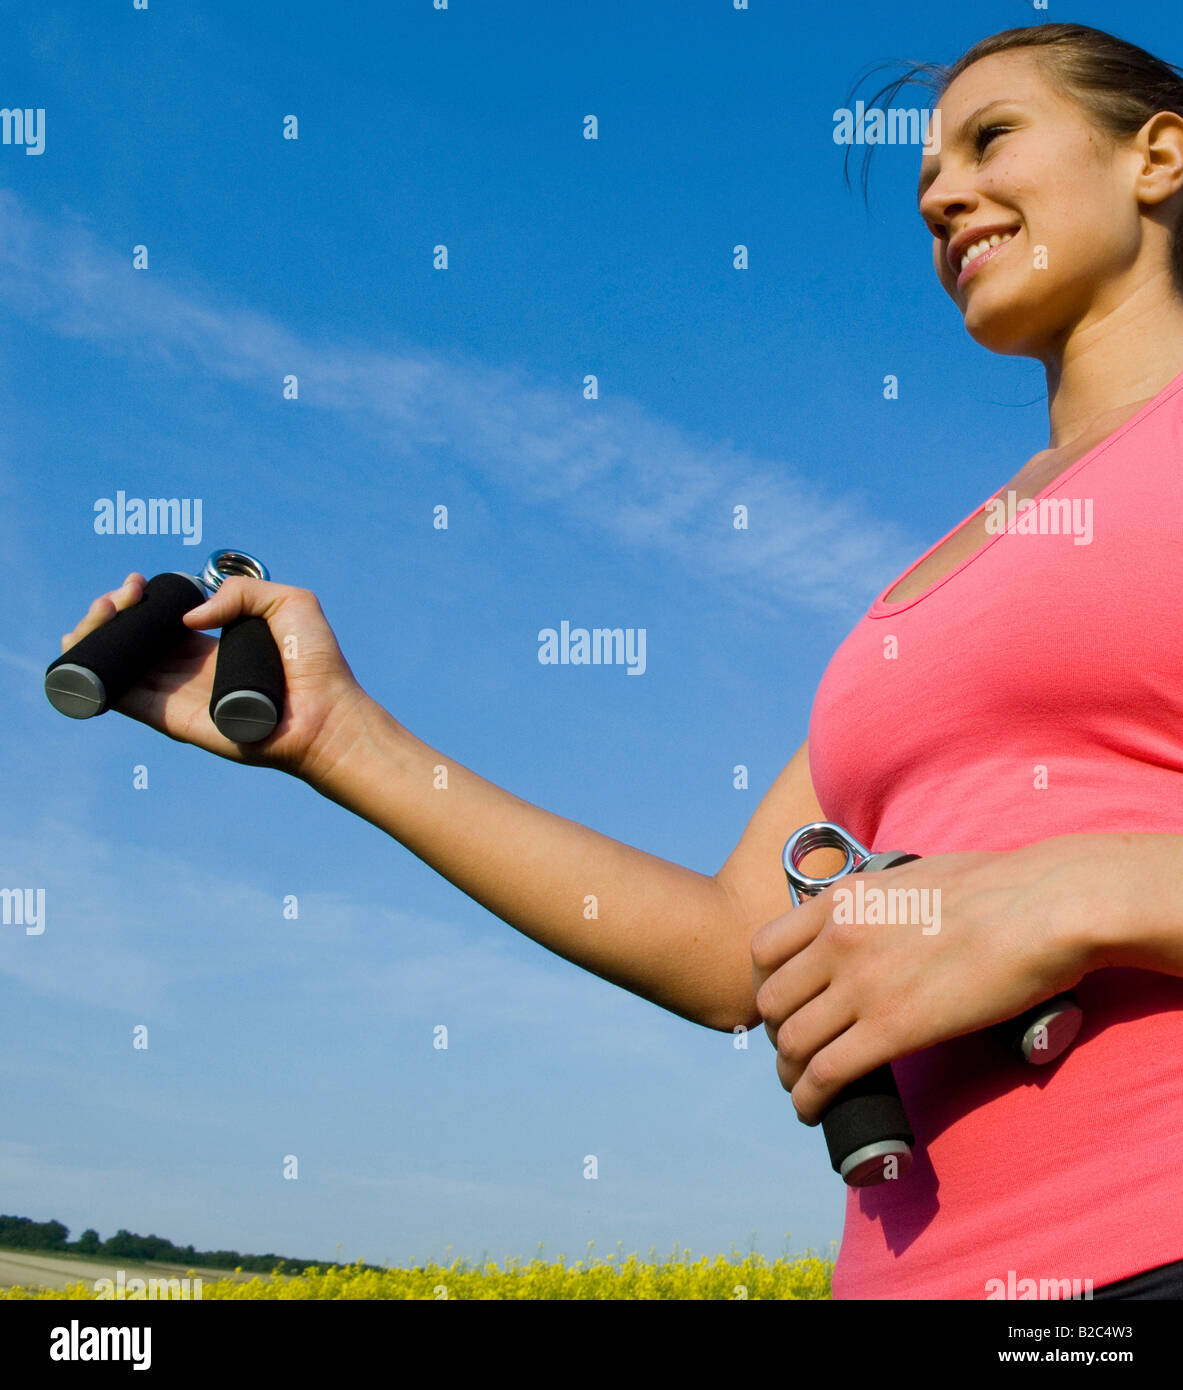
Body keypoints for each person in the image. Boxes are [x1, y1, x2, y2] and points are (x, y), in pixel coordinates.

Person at [59, 21, 1183, 1300]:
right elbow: (726, 948)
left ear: (1156, 158)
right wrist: (336, 735)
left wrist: (1072, 893)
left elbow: (1046, 895)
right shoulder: (930, 585)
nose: (936, 191)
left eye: (991, 138)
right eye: (927, 169)